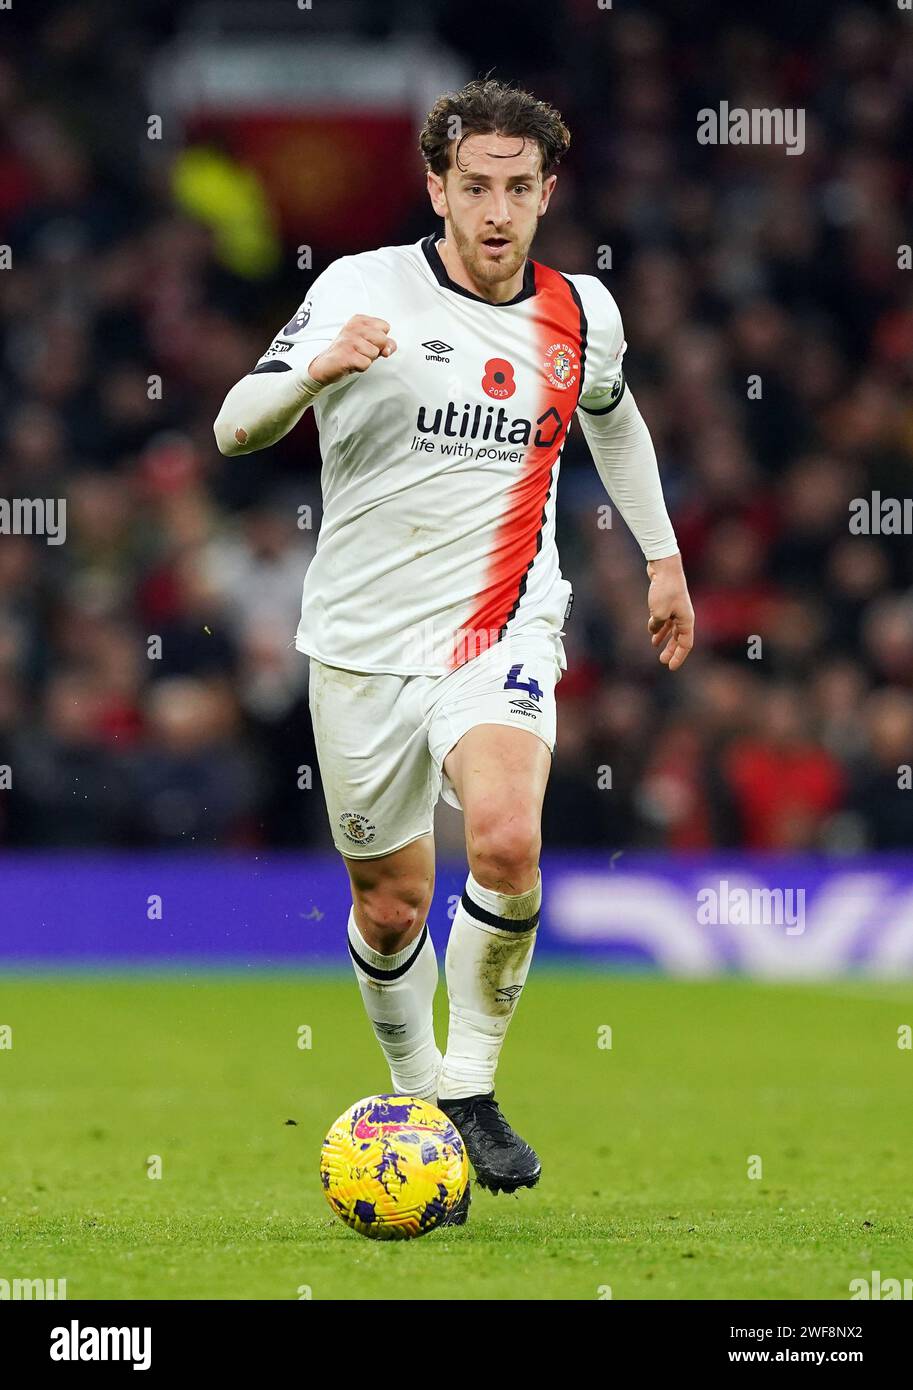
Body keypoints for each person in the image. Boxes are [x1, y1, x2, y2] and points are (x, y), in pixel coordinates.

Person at [214, 78, 694, 1220]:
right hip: (361, 642)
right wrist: (317, 372)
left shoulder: (582, 311)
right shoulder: (357, 287)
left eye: (516, 189)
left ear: (546, 194)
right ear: (434, 186)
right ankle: (416, 1091)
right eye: (472, 186)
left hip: (501, 621)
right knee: (388, 906)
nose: (494, 211)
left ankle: (471, 1085)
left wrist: (663, 556)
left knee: (506, 834)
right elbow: (236, 422)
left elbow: (611, 415)